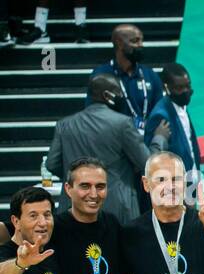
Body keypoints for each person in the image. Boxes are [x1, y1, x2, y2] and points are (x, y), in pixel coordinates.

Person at [47, 74, 151, 225]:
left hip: (73, 205)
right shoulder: (123, 123)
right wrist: (159, 139)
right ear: (107, 95)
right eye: (119, 92)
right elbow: (147, 163)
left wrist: (78, 181)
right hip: (116, 207)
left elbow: (52, 164)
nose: (122, 96)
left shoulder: (64, 125)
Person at [143, 63, 204, 191]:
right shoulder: (160, 116)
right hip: (173, 192)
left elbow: (186, 148)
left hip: (191, 187)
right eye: (179, 88)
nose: (185, 91)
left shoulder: (181, 107)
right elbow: (153, 160)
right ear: (166, 88)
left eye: (187, 86)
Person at [88, 25, 164, 132]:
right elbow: (93, 113)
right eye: (135, 41)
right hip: (114, 139)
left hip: (146, 141)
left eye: (142, 41)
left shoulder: (150, 75)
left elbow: (160, 112)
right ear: (119, 43)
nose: (141, 45)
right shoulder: (101, 75)